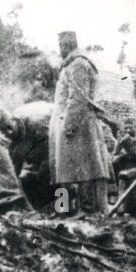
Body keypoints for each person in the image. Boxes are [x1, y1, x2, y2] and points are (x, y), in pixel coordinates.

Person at [49, 31, 111, 215]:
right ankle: (63, 208)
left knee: (84, 171)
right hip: (66, 122)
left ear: (67, 45)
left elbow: (78, 98)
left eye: (62, 45)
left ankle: (86, 210)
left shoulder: (78, 64)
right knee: (63, 172)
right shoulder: (72, 64)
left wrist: (69, 125)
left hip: (77, 125)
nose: (61, 50)